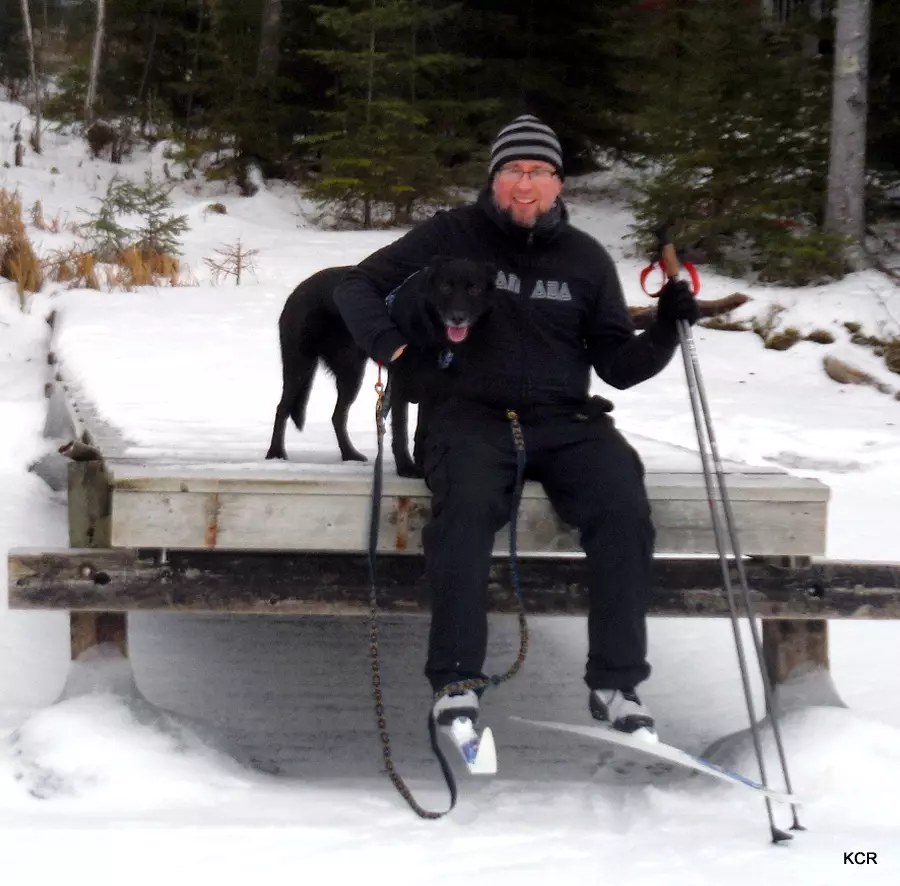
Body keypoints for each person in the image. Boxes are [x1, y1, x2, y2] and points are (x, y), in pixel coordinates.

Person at [334, 114, 699, 736]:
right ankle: (455, 681)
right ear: (494, 177)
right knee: (467, 513)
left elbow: (617, 365)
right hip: (466, 415)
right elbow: (356, 286)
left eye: (538, 172)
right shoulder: (454, 234)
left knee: (622, 506)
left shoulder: (585, 258)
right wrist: (397, 350)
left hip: (565, 419)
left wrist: (665, 327)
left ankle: (617, 684)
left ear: (559, 183)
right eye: (511, 171)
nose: (523, 186)